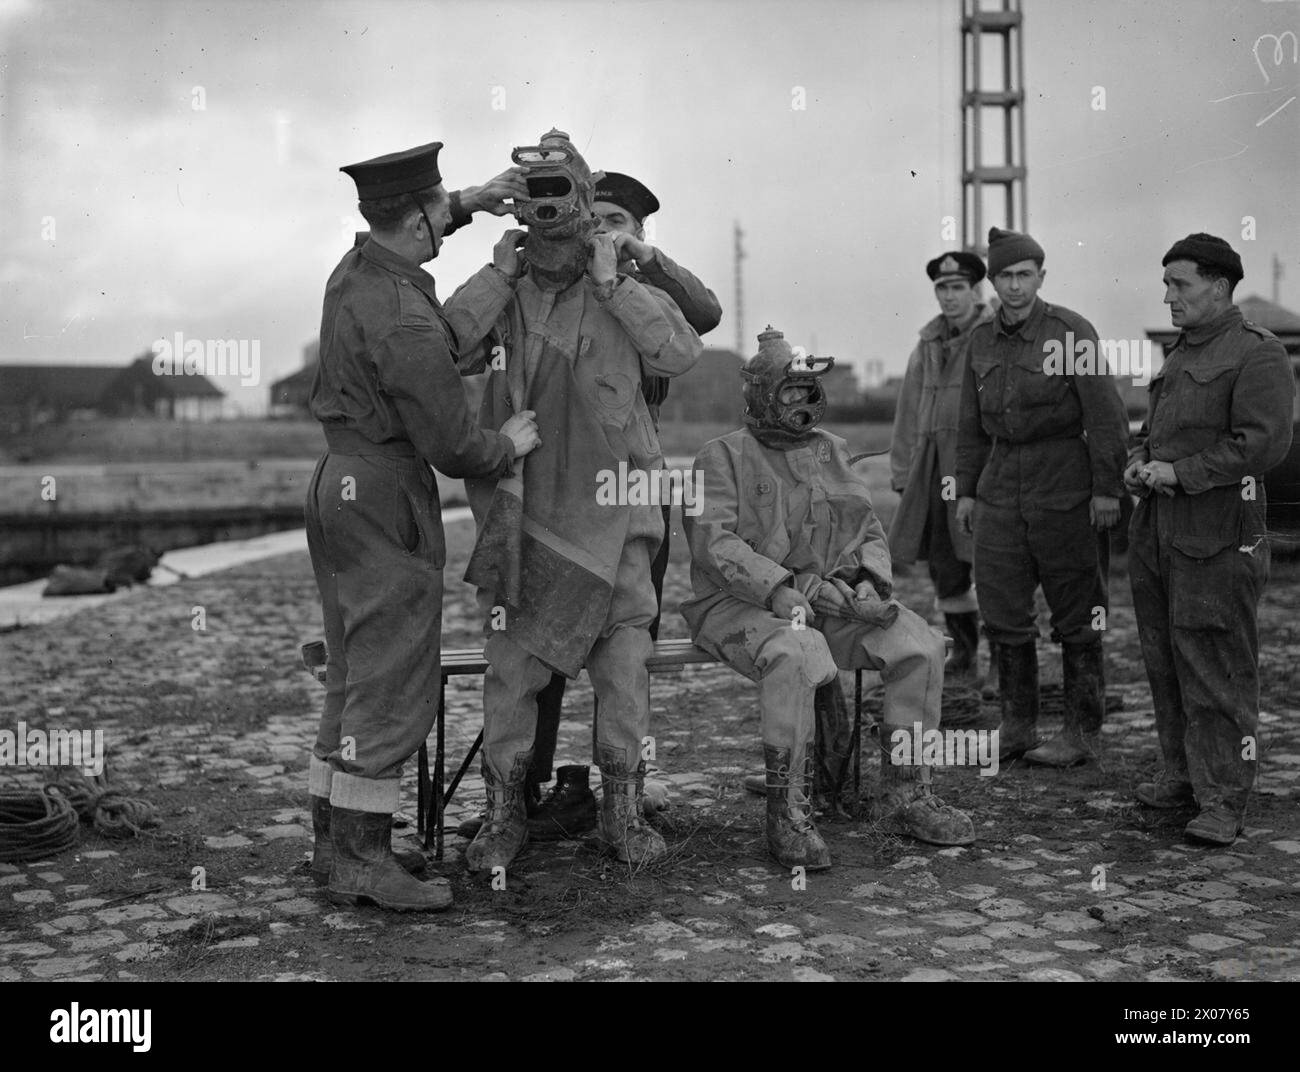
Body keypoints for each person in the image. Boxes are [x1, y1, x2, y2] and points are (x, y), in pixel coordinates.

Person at [443, 129, 702, 871]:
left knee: (623, 672)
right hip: (528, 521)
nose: (547, 210)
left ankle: (621, 817)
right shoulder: (506, 292)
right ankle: (504, 817)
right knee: (512, 675)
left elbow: (680, 352)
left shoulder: (619, 286)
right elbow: (449, 348)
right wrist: (496, 277)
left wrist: (615, 284)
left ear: (586, 205)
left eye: (562, 194)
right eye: (536, 198)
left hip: (619, 518)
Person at [305, 142, 540, 912]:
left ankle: (334, 843)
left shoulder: (357, 269)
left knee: (350, 669)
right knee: (394, 678)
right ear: (414, 222)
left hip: (336, 484)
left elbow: (414, 227)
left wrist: (475, 198)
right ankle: (363, 863)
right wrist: (509, 444)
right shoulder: (408, 319)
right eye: (440, 213)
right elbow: (450, 444)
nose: (450, 220)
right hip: (385, 493)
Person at [682, 326, 975, 870]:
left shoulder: (833, 451)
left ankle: (907, 793)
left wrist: (868, 578)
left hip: (830, 600)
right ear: (760, 394)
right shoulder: (719, 457)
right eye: (787, 391)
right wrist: (777, 587)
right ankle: (787, 812)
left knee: (921, 645)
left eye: (806, 391)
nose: (800, 403)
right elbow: (712, 543)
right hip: (737, 607)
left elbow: (866, 530)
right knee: (798, 655)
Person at [1127, 233, 1294, 844]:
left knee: (1216, 662)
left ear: (1219, 287)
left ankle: (1224, 799)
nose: (1168, 296)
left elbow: (1264, 444)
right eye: (1166, 284)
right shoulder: (1180, 351)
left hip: (1220, 535)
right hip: (1159, 531)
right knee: (1164, 658)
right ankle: (1183, 776)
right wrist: (1140, 461)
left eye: (1180, 284)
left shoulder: (1258, 353)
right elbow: (1155, 431)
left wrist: (1182, 473)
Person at [955, 227, 1128, 766]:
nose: (1014, 286)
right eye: (1004, 276)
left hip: (1065, 482)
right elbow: (968, 425)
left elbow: (1106, 418)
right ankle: (1017, 726)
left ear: (1041, 277)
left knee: (1078, 609)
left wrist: (1106, 489)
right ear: (993, 281)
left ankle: (1081, 732)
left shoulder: (1071, 333)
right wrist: (964, 491)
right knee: (1003, 606)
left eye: (1024, 275)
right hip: (1001, 484)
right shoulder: (980, 341)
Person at [890, 251, 996, 686]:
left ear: (975, 290)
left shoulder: (993, 335)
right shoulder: (927, 342)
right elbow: (909, 410)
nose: (950, 297)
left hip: (982, 471)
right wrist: (902, 474)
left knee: (992, 566)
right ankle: (965, 657)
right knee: (946, 566)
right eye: (942, 288)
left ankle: (1002, 665)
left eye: (958, 288)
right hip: (934, 471)